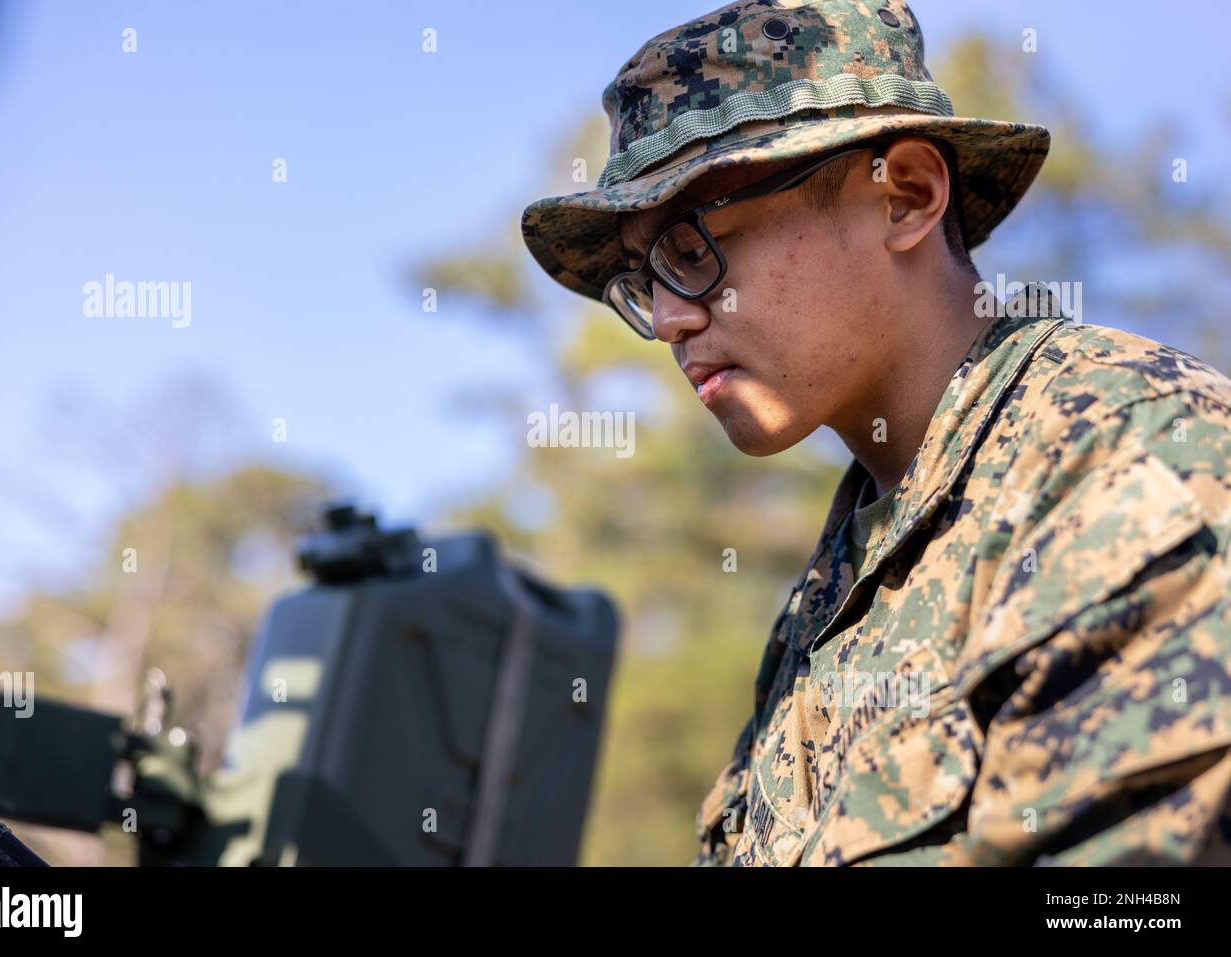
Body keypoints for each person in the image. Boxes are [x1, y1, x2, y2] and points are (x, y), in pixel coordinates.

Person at [520, 0, 1231, 865]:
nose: (669, 319)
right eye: (643, 280)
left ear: (906, 195)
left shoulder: (1130, 460)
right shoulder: (828, 599)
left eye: (693, 246)